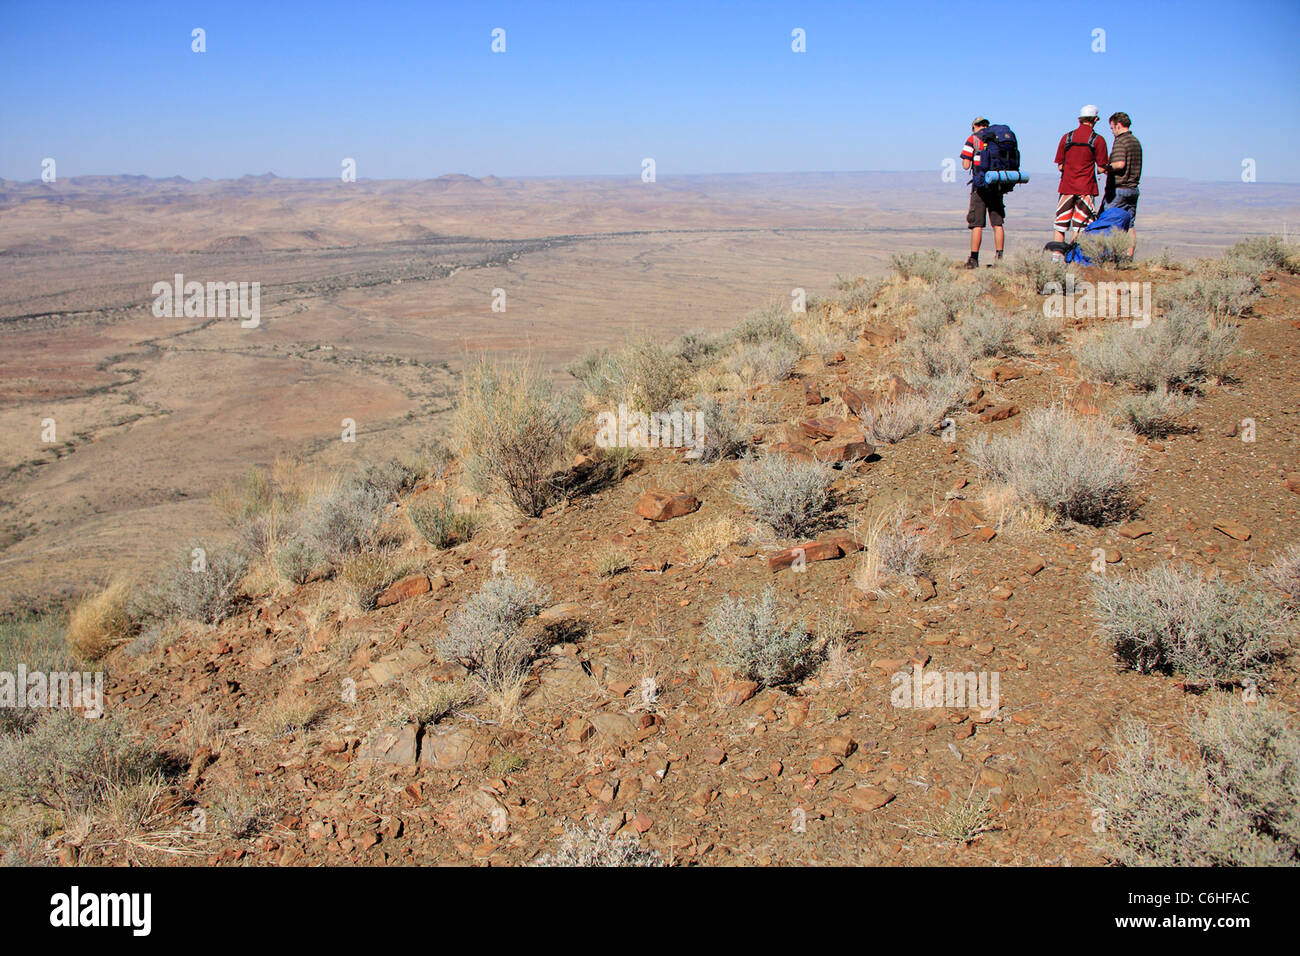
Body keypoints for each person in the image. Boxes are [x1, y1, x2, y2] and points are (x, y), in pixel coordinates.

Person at [1052, 105, 1109, 258]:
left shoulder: (1067, 137)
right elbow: (1103, 167)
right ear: (1095, 120)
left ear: (1079, 119)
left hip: (1066, 186)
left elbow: (1060, 166)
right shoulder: (1098, 140)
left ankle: (1056, 258)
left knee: (1060, 224)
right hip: (1086, 188)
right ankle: (1074, 258)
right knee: (1081, 226)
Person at [961, 117, 1004, 269]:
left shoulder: (973, 139)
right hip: (997, 184)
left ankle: (974, 259)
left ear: (974, 126)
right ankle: (999, 258)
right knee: (997, 223)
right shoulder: (997, 138)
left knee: (977, 223)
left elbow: (966, 165)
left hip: (980, 186)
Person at [1101, 111, 1142, 258]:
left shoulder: (1121, 141)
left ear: (1118, 125)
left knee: (1108, 222)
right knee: (1129, 225)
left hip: (1119, 190)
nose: (1112, 131)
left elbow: (1119, 164)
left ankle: (1107, 256)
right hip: (1133, 189)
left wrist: (1105, 168)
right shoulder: (1135, 141)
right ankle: (1128, 256)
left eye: (1112, 128)